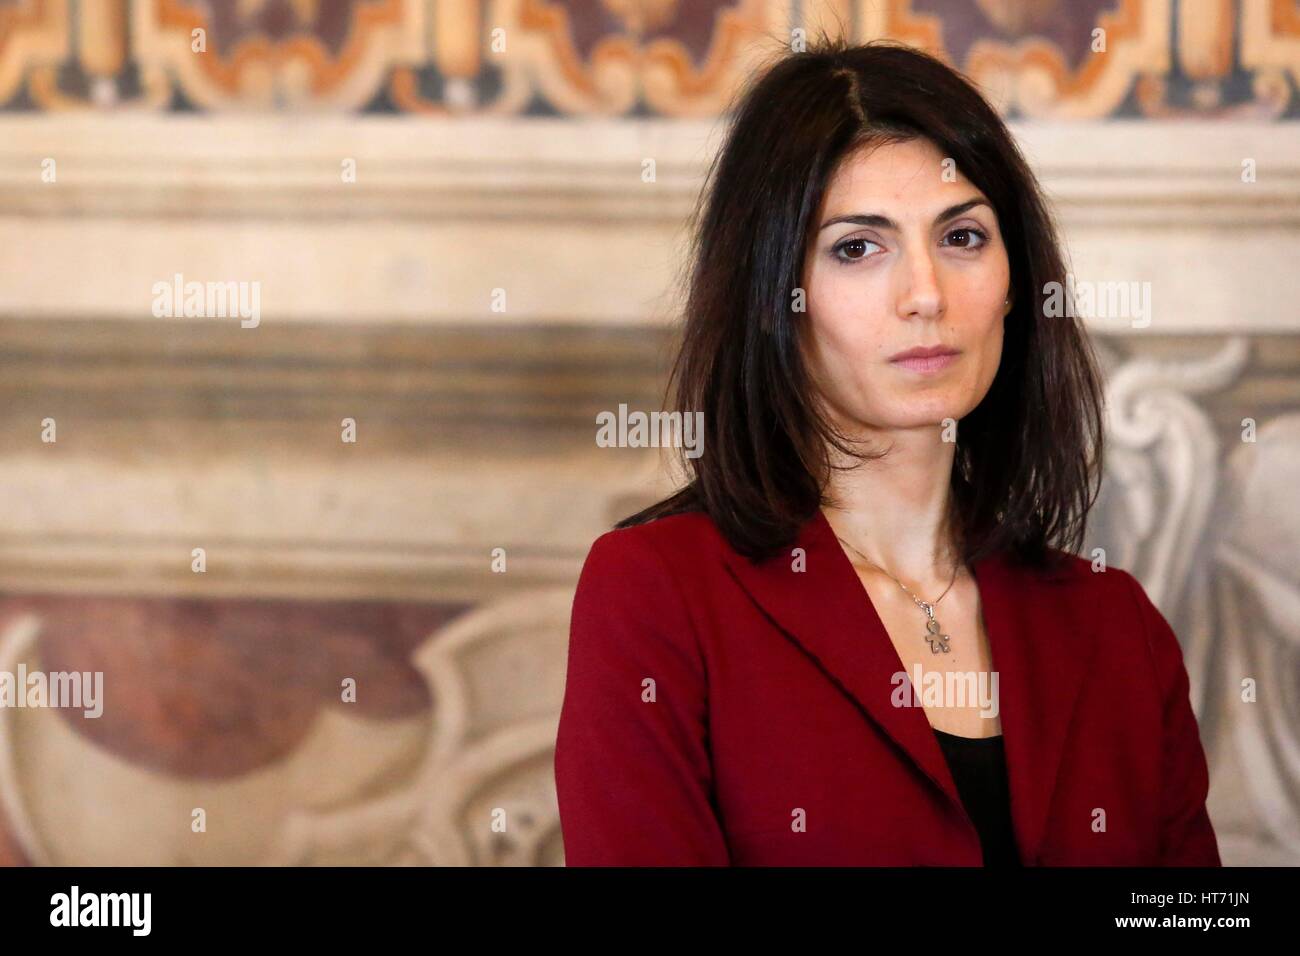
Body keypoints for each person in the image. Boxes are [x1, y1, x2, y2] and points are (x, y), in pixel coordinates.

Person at [553, 36, 1221, 867]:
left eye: (964, 237)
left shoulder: (1115, 623)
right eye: (858, 248)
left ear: (1017, 280)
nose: (926, 295)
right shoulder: (658, 595)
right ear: (775, 296)